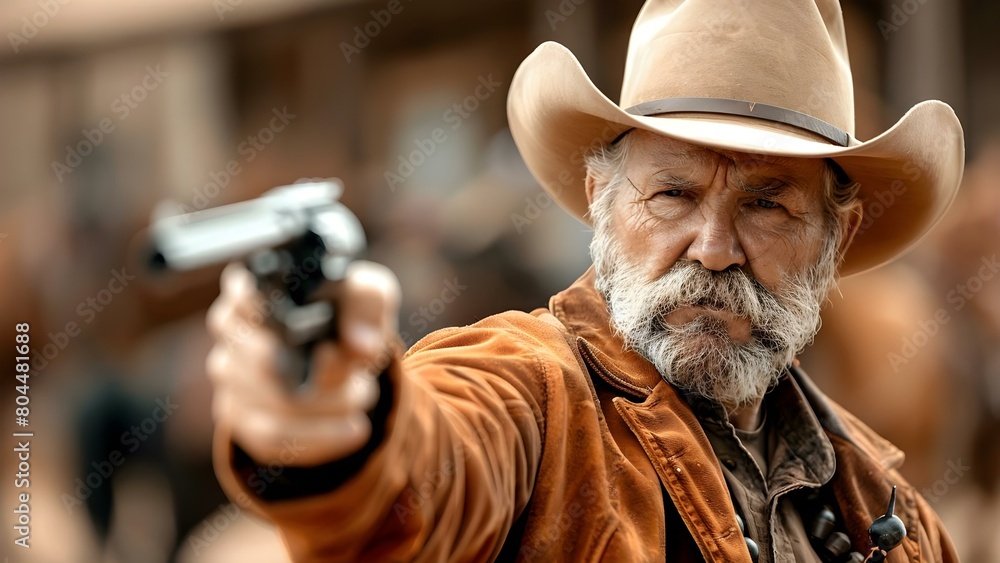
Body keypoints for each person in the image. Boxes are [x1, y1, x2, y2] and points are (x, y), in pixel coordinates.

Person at [205, 0, 965, 561]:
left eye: (765, 205)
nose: (713, 247)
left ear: (840, 236)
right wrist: (347, 425)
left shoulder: (889, 507)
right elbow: (431, 475)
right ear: (601, 197)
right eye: (672, 194)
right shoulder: (535, 393)